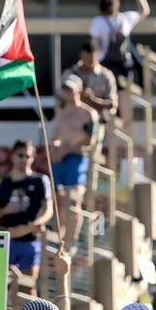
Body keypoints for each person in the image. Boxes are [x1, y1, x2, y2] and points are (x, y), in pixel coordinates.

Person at [48, 77, 98, 255]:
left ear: (78, 90)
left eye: (70, 89)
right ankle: (60, 238)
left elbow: (89, 139)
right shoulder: (62, 112)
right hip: (60, 160)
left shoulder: (87, 113)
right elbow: (56, 135)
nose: (67, 92)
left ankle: (72, 240)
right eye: (65, 89)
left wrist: (68, 149)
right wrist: (56, 148)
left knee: (74, 199)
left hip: (76, 160)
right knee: (58, 200)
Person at [0, 140, 53, 281]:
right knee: (5, 285)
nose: (24, 159)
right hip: (8, 241)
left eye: (28, 156)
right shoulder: (5, 183)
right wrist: (7, 210)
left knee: (28, 285)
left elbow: (48, 210)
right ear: (13, 156)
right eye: (20, 155)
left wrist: (32, 226)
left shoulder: (40, 180)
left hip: (30, 240)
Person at [90, 0, 151, 81]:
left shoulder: (98, 21)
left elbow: (95, 45)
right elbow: (144, 11)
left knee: (108, 93)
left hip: (104, 64)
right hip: (125, 64)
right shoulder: (125, 19)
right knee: (124, 92)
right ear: (116, 4)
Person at [62, 39, 118, 123]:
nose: (89, 63)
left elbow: (112, 104)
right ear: (81, 56)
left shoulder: (106, 75)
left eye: (92, 60)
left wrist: (93, 99)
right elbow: (62, 99)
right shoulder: (71, 73)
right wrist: (79, 95)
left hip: (100, 122)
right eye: (87, 59)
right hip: (75, 122)